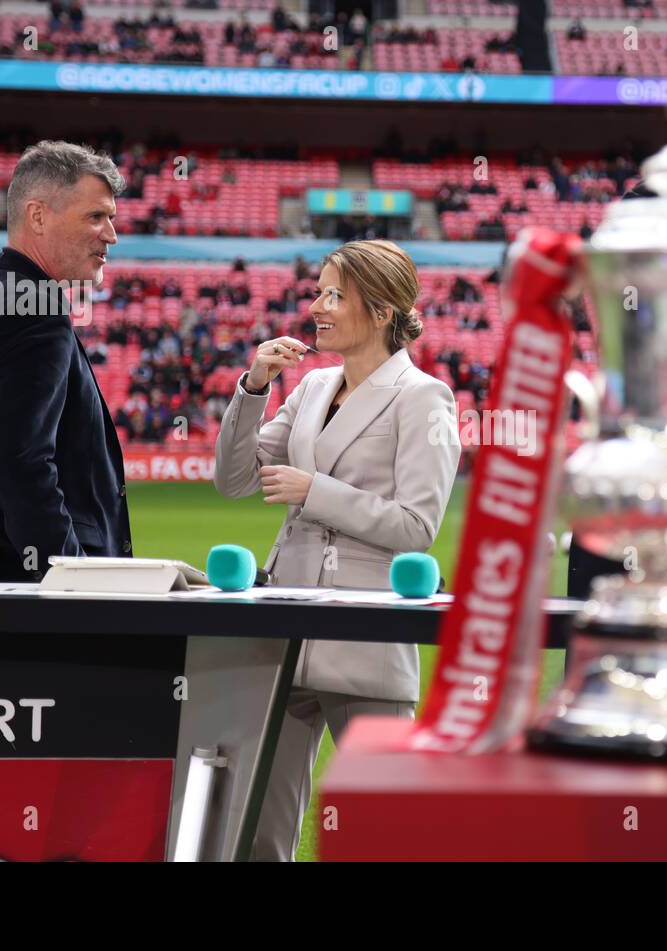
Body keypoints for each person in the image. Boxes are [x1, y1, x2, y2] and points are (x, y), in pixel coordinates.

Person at [213, 239, 460, 862]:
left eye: (334, 295)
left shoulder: (424, 397)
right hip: (285, 627)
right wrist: (252, 386)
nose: (317, 306)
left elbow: (416, 526)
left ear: (381, 312)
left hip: (364, 632)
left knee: (386, 832)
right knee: (260, 832)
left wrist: (314, 490)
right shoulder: (313, 386)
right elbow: (234, 480)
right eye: (319, 291)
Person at [0, 141, 131, 581]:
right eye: (95, 217)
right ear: (38, 216)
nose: (111, 234)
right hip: (26, 600)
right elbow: (23, 469)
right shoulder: (36, 308)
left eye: (111, 219)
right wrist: (74, 580)